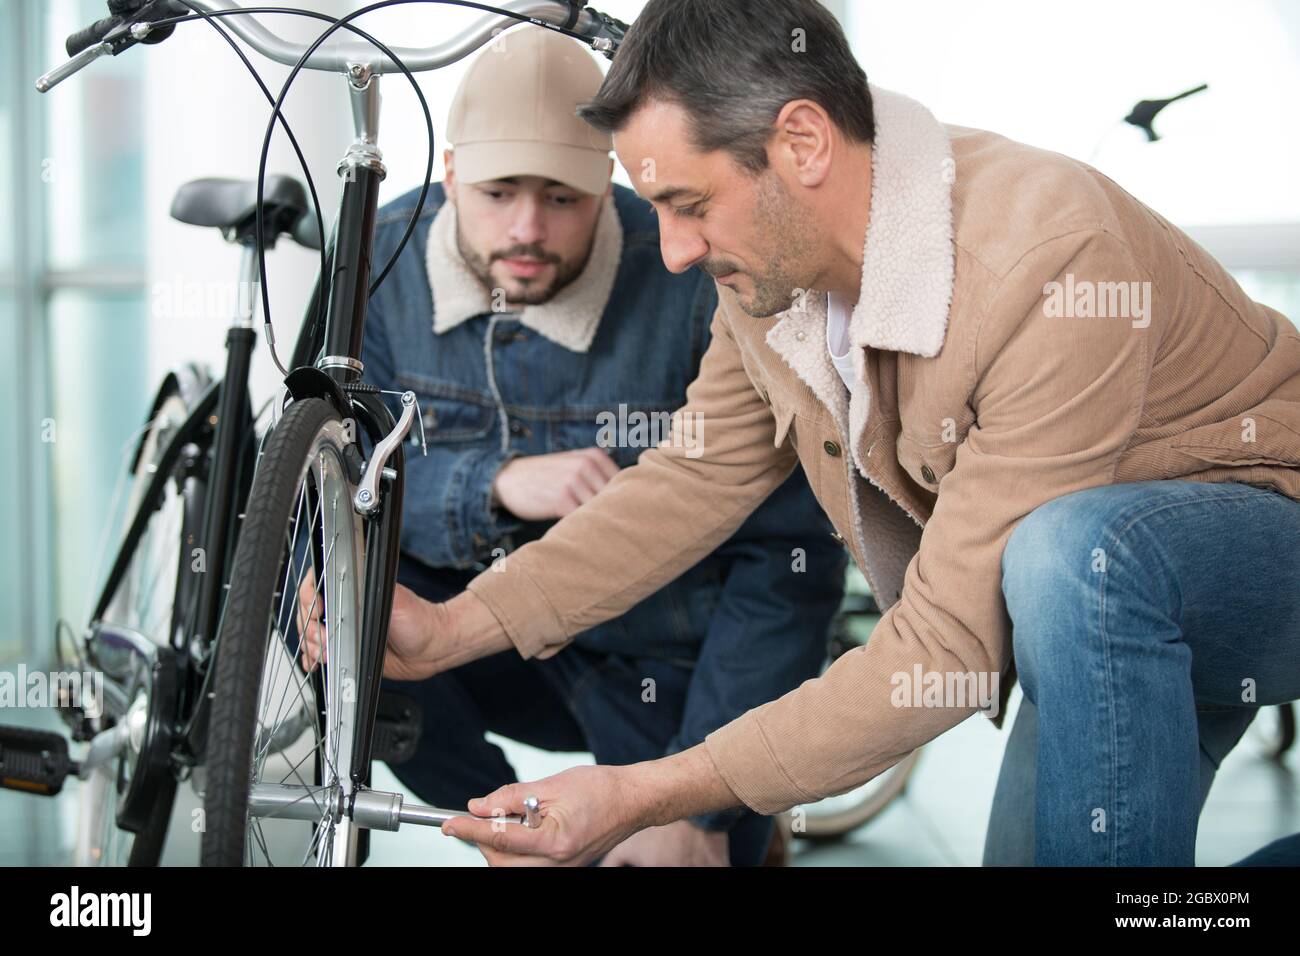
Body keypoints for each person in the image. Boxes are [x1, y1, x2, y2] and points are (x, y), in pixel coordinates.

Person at [372, 0, 1300, 866]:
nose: (674, 251)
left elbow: (947, 645)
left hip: (1256, 539)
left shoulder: (1048, 256)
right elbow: (689, 482)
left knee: (1076, 553)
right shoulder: (772, 278)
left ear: (803, 141)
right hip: (1098, 603)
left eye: (690, 204)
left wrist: (657, 795)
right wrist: (451, 629)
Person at [344, 24, 845, 867]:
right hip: (475, 648)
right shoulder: (379, 258)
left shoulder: (696, 267)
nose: (529, 229)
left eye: (564, 199)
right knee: (334, 600)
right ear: (452, 175)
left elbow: (788, 558)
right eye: (499, 193)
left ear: (609, 183)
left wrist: (703, 807)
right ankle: (502, 826)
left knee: (693, 848)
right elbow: (342, 487)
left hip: (661, 655)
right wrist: (492, 484)